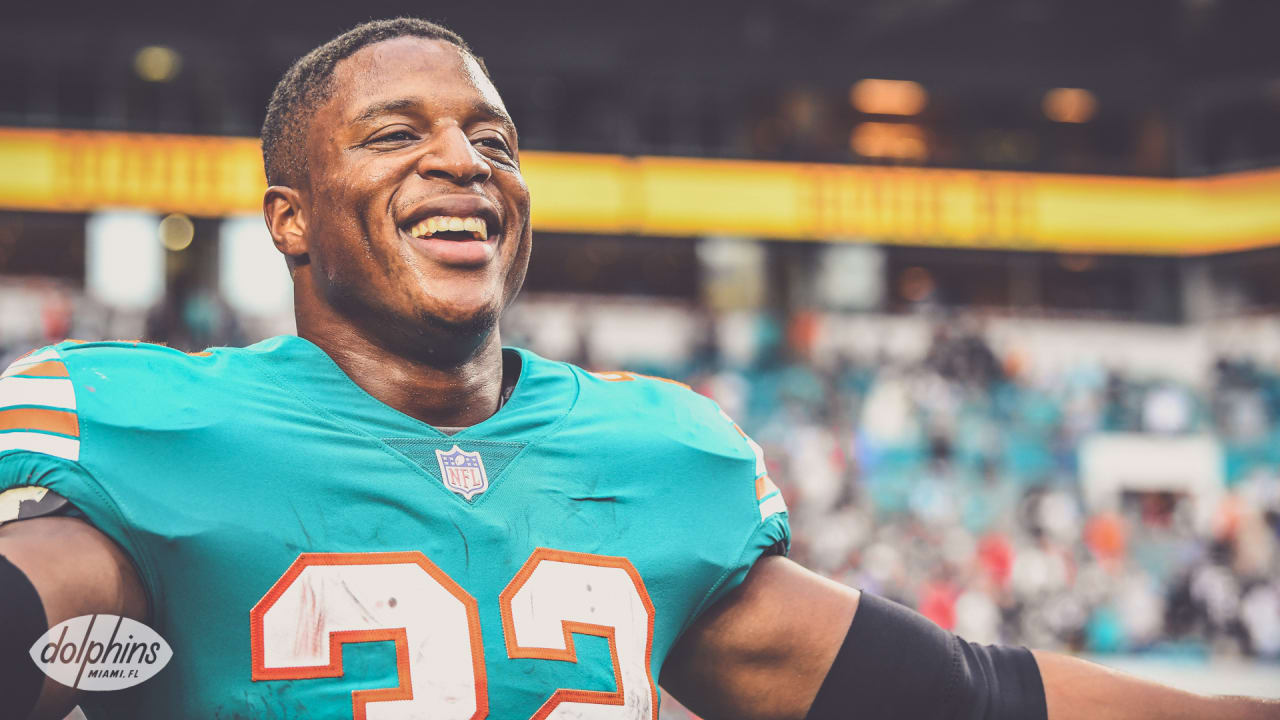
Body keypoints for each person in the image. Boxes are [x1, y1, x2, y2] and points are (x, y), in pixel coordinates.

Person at [0, 18, 1275, 720]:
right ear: (289, 219)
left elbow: (959, 700)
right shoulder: (151, 429)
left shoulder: (654, 459)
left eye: (490, 137)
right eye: (397, 133)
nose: (463, 160)